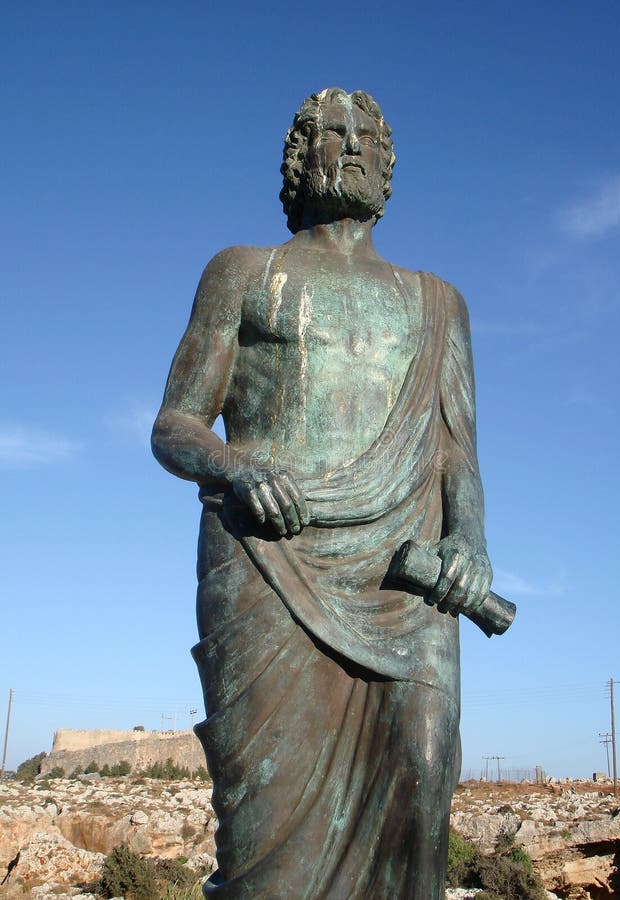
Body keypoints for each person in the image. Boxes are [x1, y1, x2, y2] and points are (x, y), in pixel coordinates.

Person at [152, 87, 493, 899]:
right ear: (297, 160)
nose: (346, 147)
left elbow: (457, 453)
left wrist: (469, 547)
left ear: (386, 170)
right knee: (269, 846)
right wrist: (239, 468)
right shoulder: (242, 273)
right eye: (328, 134)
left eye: (363, 137)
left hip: (407, 588)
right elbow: (175, 425)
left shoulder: (439, 303)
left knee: (419, 793)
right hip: (268, 561)